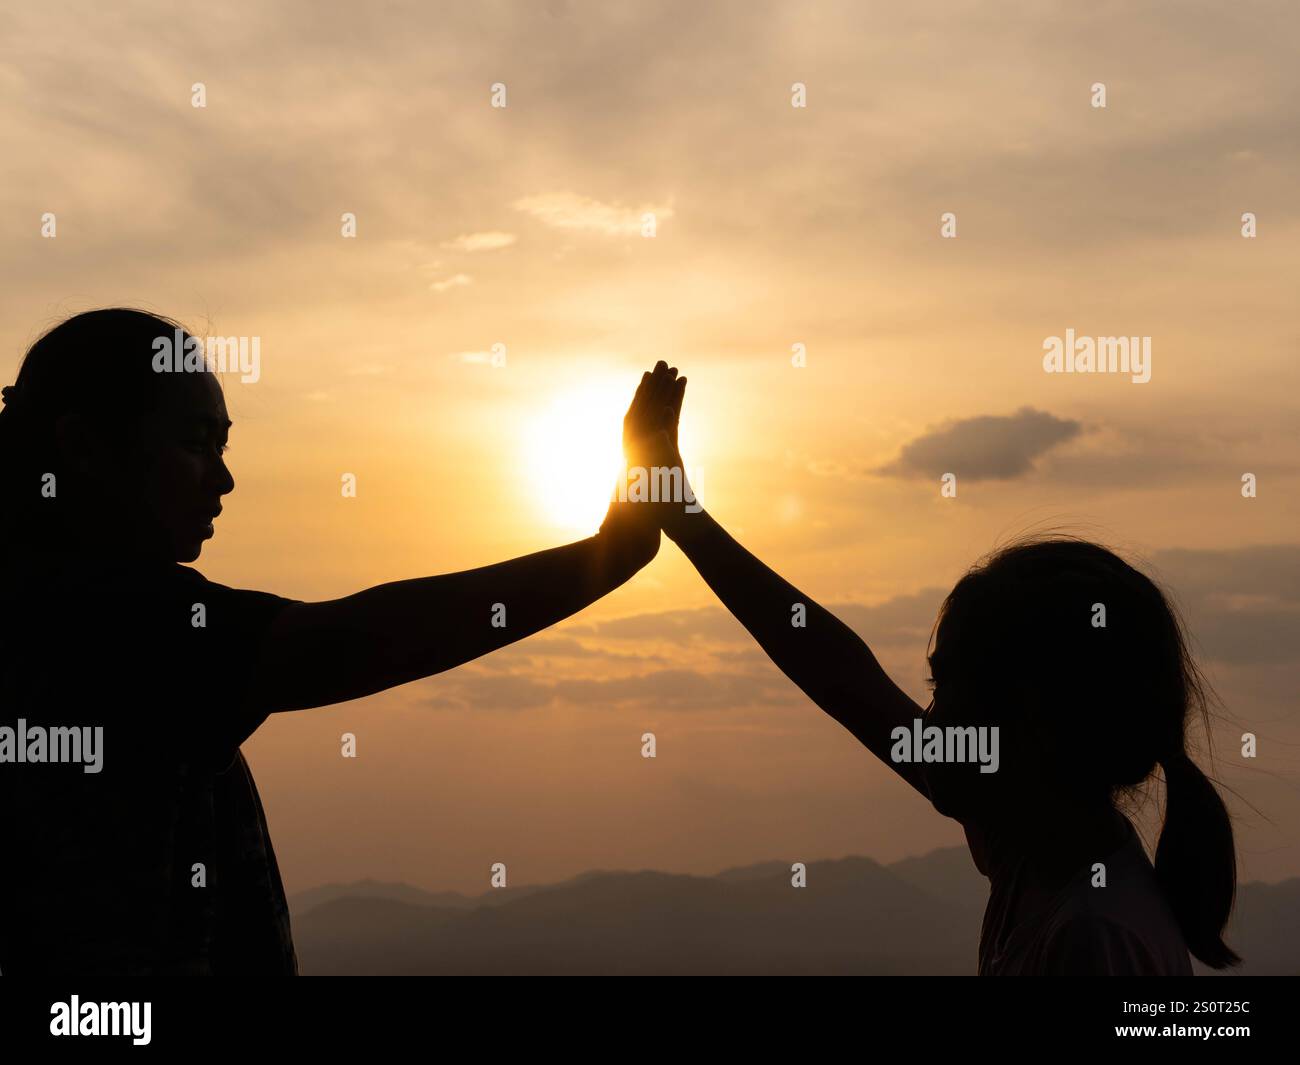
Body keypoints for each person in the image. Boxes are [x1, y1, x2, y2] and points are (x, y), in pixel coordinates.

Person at [0, 308, 675, 975]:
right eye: (196, 442)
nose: (223, 477)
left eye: (222, 444)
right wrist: (608, 556)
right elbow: (341, 643)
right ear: (84, 448)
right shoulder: (88, 615)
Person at [634, 367, 1240, 975]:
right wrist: (683, 515)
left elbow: (850, 684)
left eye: (951, 688)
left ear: (1038, 720)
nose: (928, 718)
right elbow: (844, 679)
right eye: (934, 685)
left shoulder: (1093, 939)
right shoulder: (1033, 844)